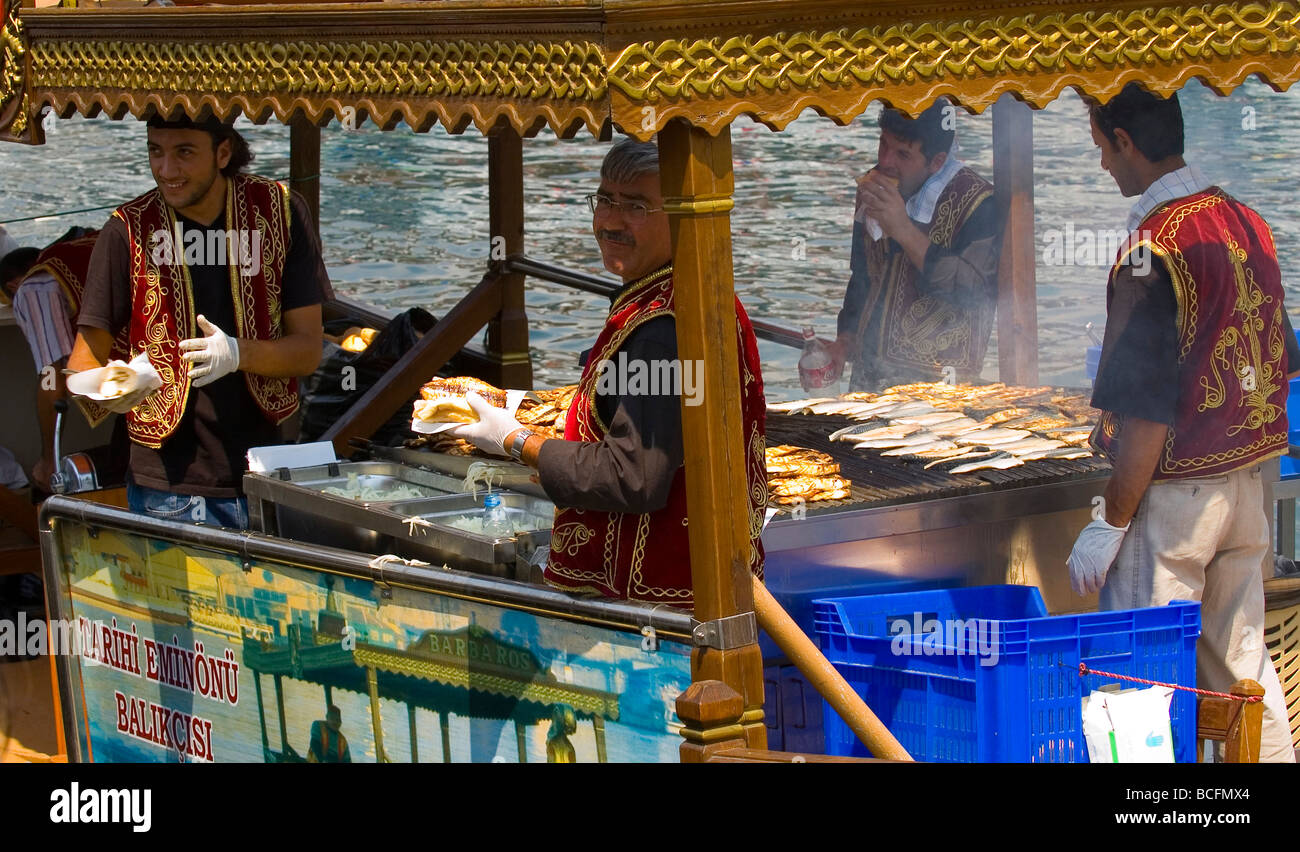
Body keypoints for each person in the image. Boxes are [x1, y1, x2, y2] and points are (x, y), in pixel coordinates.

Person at [1067, 83, 1297, 762]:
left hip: (1173, 505)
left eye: (1103, 149)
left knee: (1140, 685)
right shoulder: (1248, 222)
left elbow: (1143, 414)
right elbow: (1281, 354)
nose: (1104, 166)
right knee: (1241, 669)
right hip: (1247, 487)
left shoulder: (1152, 248)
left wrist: (1109, 522)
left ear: (1125, 142)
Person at [450, 137, 767, 606]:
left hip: (659, 605)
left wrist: (517, 442)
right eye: (605, 200)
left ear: (678, 213)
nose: (610, 222)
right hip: (695, 585)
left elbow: (633, 475)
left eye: (636, 206)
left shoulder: (663, 328)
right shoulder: (683, 294)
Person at [67, 114, 331, 529]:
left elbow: (307, 351)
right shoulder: (127, 231)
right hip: (167, 485)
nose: (167, 170)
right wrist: (109, 390)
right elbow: (82, 364)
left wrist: (238, 353)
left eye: (184, 152)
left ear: (223, 152)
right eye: (156, 151)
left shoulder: (280, 211)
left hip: (266, 473)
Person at [830, 99, 1002, 392]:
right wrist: (843, 344)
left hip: (940, 389)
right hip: (868, 379)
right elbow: (862, 277)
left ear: (936, 161)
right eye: (883, 144)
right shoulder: (872, 191)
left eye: (903, 154)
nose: (885, 161)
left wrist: (904, 231)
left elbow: (972, 289)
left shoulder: (979, 203)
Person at [2, 228, 119, 492]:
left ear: (12, 287)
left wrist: (47, 461)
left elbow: (51, 376)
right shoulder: (85, 248)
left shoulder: (34, 287)